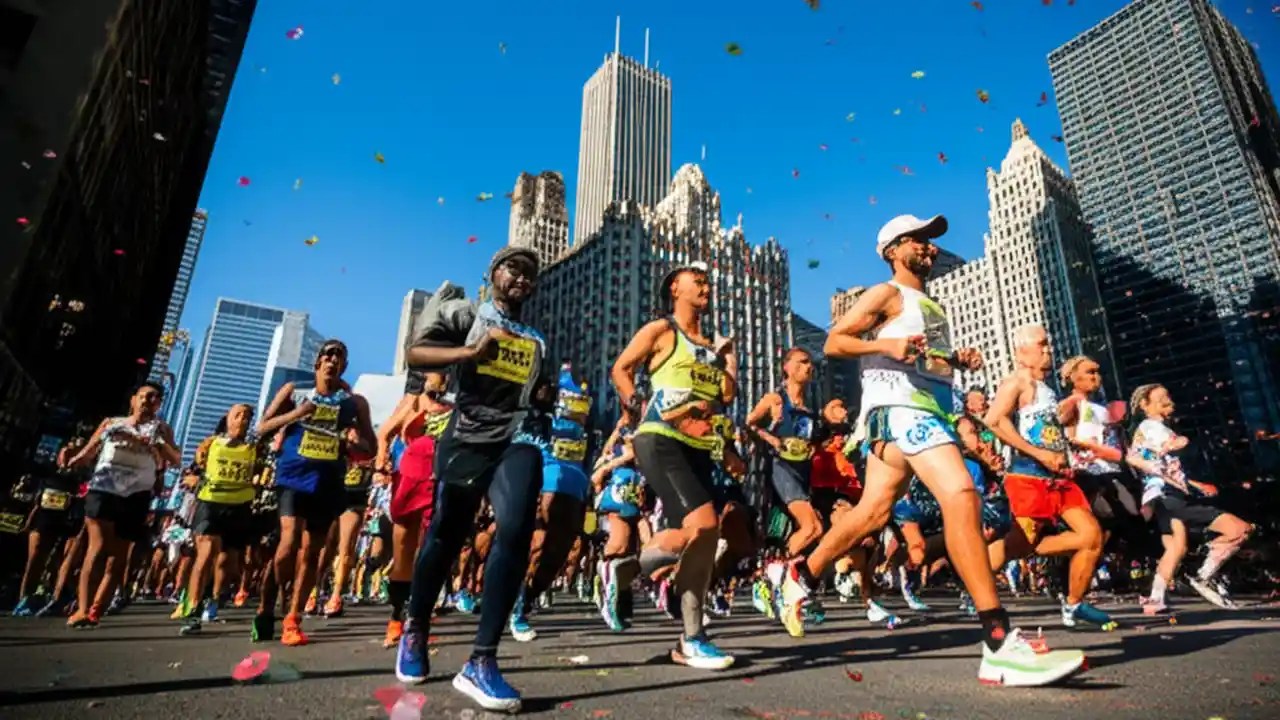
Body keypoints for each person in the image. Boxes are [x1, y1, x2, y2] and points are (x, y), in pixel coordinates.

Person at [780, 214, 1083, 686]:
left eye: (931, 242)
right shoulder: (886, 294)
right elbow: (837, 342)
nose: (930, 248)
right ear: (893, 249)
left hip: (926, 410)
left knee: (873, 510)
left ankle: (798, 574)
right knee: (962, 494)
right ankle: (999, 641)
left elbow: (922, 357)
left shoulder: (930, 303)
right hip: (901, 408)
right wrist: (889, 343)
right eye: (918, 241)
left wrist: (953, 360)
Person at [394, 249, 546, 714]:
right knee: (445, 534)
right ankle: (415, 624)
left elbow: (531, 389)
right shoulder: (467, 313)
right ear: (493, 275)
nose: (520, 277)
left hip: (517, 437)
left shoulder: (536, 338)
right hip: (467, 437)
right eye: (512, 268)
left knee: (517, 528)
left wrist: (544, 396)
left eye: (529, 273)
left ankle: (482, 660)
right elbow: (415, 353)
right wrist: (470, 351)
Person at [612, 260, 738, 671]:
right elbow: (621, 368)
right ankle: (692, 636)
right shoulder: (662, 330)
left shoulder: (712, 344)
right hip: (661, 438)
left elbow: (726, 397)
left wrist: (728, 360)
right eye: (696, 281)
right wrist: (633, 404)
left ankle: (622, 573)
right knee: (705, 526)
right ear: (675, 289)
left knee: (698, 535)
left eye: (707, 281)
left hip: (699, 445)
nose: (705, 286)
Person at [985, 325, 1113, 630]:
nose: (1048, 351)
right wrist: (1039, 454)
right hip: (1029, 476)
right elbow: (992, 420)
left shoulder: (1047, 388)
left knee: (1091, 537)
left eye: (1049, 345)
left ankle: (1074, 604)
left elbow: (1051, 431)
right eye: (1041, 345)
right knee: (1020, 543)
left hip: (1058, 478)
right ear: (1021, 351)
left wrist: (1064, 452)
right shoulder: (1017, 381)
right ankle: (973, 580)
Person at [255, 340, 375, 645]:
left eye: (339, 356)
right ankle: (271, 603)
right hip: (293, 475)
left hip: (329, 480)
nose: (332, 359)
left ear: (344, 366)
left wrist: (353, 440)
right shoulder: (296, 391)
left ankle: (293, 618)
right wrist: (297, 414)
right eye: (327, 354)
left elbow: (370, 447)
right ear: (317, 363)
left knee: (311, 554)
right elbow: (262, 427)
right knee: (287, 543)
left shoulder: (355, 403)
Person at [64, 382, 181, 628]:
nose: (149, 401)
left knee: (118, 556)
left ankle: (97, 608)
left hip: (136, 494)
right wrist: (72, 458)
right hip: (104, 489)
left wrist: (158, 445)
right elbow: (87, 453)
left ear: (160, 405)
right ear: (133, 399)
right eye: (145, 396)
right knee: (97, 547)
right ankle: (82, 609)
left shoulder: (162, 429)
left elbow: (177, 460)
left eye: (155, 398)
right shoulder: (111, 424)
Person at [1127, 384, 1252, 611]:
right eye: (1160, 398)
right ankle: (1203, 575)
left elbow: (1159, 464)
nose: (1167, 400)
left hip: (1162, 495)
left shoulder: (1151, 428)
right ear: (1144, 406)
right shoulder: (1152, 426)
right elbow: (1160, 451)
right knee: (1239, 529)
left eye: (1168, 395)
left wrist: (1195, 484)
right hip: (1167, 494)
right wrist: (1178, 442)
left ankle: (1155, 600)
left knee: (1176, 547)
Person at [510, 364, 592, 641]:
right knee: (539, 543)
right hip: (547, 474)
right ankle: (516, 606)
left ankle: (528, 597)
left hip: (576, 480)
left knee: (560, 553)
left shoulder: (587, 424)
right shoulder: (535, 417)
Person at [376, 370, 453, 648]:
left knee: (428, 549)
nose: (440, 378)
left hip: (440, 480)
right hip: (410, 477)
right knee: (403, 549)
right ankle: (396, 617)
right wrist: (381, 462)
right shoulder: (415, 401)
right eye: (435, 372)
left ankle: (417, 619)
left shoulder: (456, 405)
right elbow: (385, 433)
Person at [179, 404, 258, 634]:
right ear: (228, 418)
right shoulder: (210, 443)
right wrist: (193, 479)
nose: (242, 420)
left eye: (247, 417)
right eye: (238, 415)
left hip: (240, 507)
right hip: (210, 504)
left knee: (227, 562)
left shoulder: (255, 446)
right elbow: (192, 471)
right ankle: (192, 610)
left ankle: (213, 600)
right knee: (206, 555)